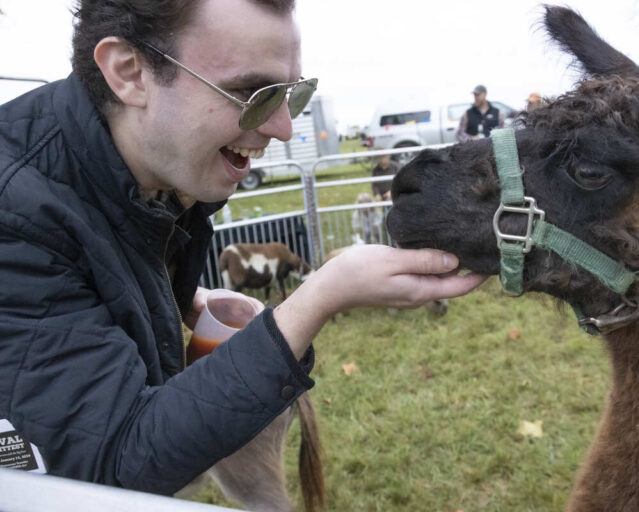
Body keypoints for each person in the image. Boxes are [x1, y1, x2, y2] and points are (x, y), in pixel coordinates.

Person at [0, 0, 486, 496]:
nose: (283, 128)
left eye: (292, 95)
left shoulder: (147, 167)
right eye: (251, 93)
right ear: (130, 73)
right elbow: (114, 468)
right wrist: (315, 300)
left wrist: (166, 300)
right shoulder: (13, 212)